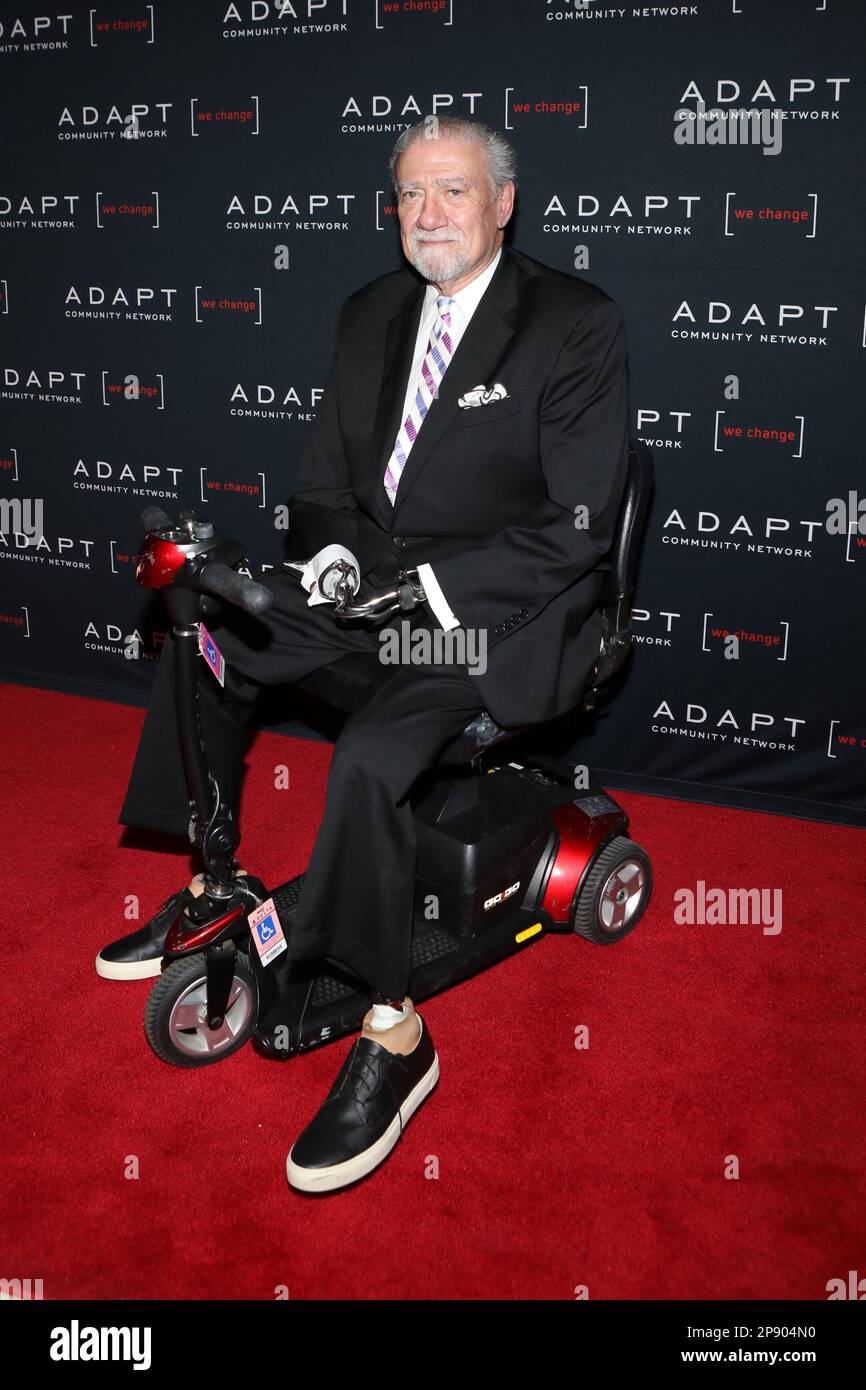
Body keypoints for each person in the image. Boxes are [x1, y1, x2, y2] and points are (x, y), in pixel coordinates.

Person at [96, 114, 631, 1194]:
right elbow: (319, 487)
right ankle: (214, 876)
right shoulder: (369, 312)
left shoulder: (575, 323)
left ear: (502, 203)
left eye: (452, 192)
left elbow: (576, 527)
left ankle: (393, 1033)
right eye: (408, 196)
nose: (426, 216)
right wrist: (335, 557)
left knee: (374, 753)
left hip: (491, 618)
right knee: (204, 627)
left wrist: (420, 592)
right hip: (368, 600)